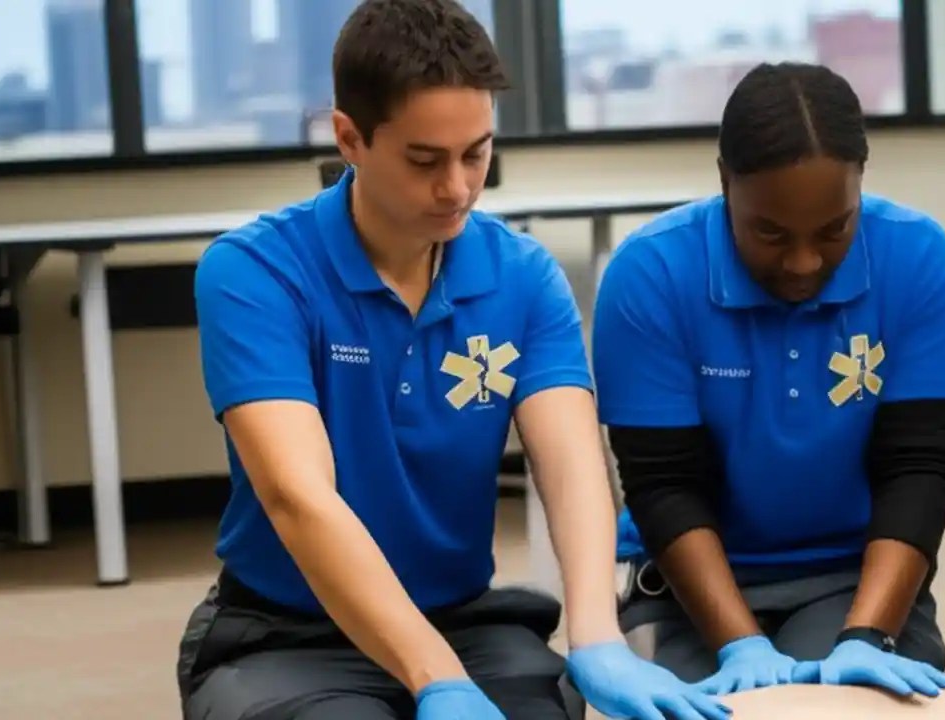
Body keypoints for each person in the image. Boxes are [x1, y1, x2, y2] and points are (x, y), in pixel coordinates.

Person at [174, 2, 730, 719]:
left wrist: (595, 635)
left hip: (462, 621)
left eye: (477, 153)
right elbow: (297, 497)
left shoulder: (522, 276)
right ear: (349, 138)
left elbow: (571, 465)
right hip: (287, 635)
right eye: (425, 160)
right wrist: (437, 681)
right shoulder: (255, 273)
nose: (458, 188)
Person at [591, 62, 945, 701]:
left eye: (834, 231)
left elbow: (918, 469)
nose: (803, 264)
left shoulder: (918, 259)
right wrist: (740, 644)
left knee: (841, 709)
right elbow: (666, 486)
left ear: (862, 183)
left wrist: (868, 635)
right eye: (770, 233)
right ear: (724, 183)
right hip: (690, 584)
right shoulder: (652, 274)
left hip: (851, 578)